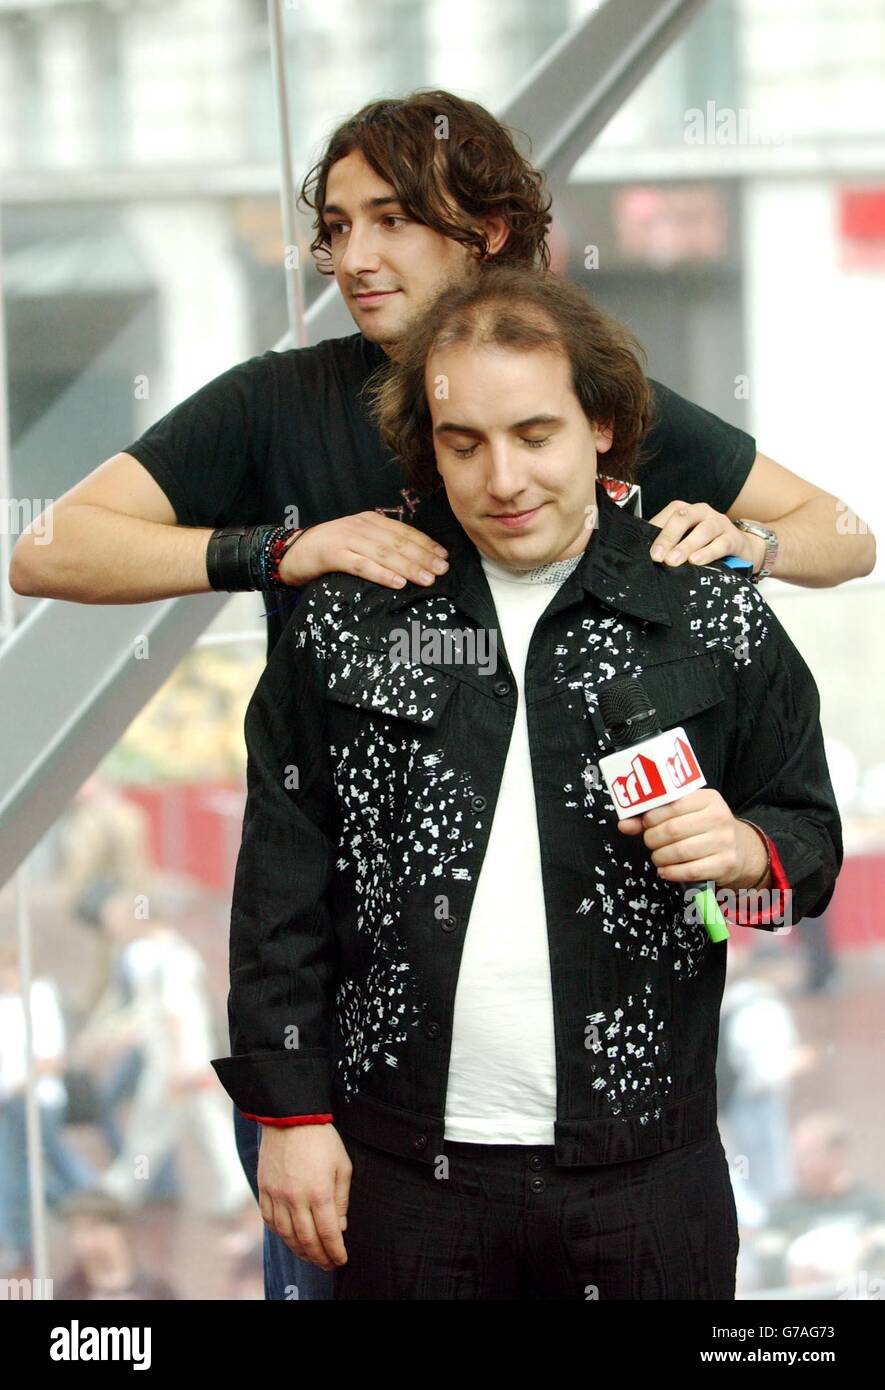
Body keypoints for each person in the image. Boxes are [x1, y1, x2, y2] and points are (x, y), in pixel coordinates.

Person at [9, 90, 869, 1298]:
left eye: (396, 220)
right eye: (339, 225)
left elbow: (843, 542)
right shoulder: (287, 416)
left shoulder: (574, 398)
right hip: (384, 1120)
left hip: (627, 1142)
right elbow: (50, 556)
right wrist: (280, 550)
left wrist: (735, 543)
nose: (356, 257)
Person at [210, 264, 843, 1300]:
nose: (503, 478)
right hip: (401, 1173)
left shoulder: (710, 612)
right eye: (465, 444)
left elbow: (803, 863)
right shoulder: (351, 619)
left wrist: (743, 853)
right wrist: (290, 1116)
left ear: (599, 424)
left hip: (649, 1173)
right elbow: (279, 890)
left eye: (535, 434)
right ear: (429, 446)